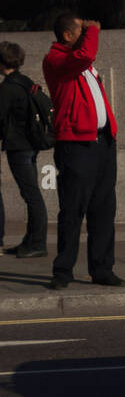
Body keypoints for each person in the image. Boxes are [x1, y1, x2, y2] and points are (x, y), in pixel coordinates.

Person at [42, 12, 124, 289]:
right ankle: (63, 271)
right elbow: (85, 55)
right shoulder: (57, 59)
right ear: (67, 35)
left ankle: (102, 268)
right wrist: (94, 31)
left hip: (102, 142)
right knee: (73, 209)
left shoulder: (85, 65)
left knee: (103, 209)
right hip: (76, 144)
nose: (87, 30)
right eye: (80, 29)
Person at [0, 42, 48, 257]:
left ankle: (37, 243)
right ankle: (30, 241)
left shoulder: (7, 88)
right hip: (31, 145)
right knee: (31, 193)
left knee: (31, 195)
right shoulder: (25, 82)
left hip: (19, 147)